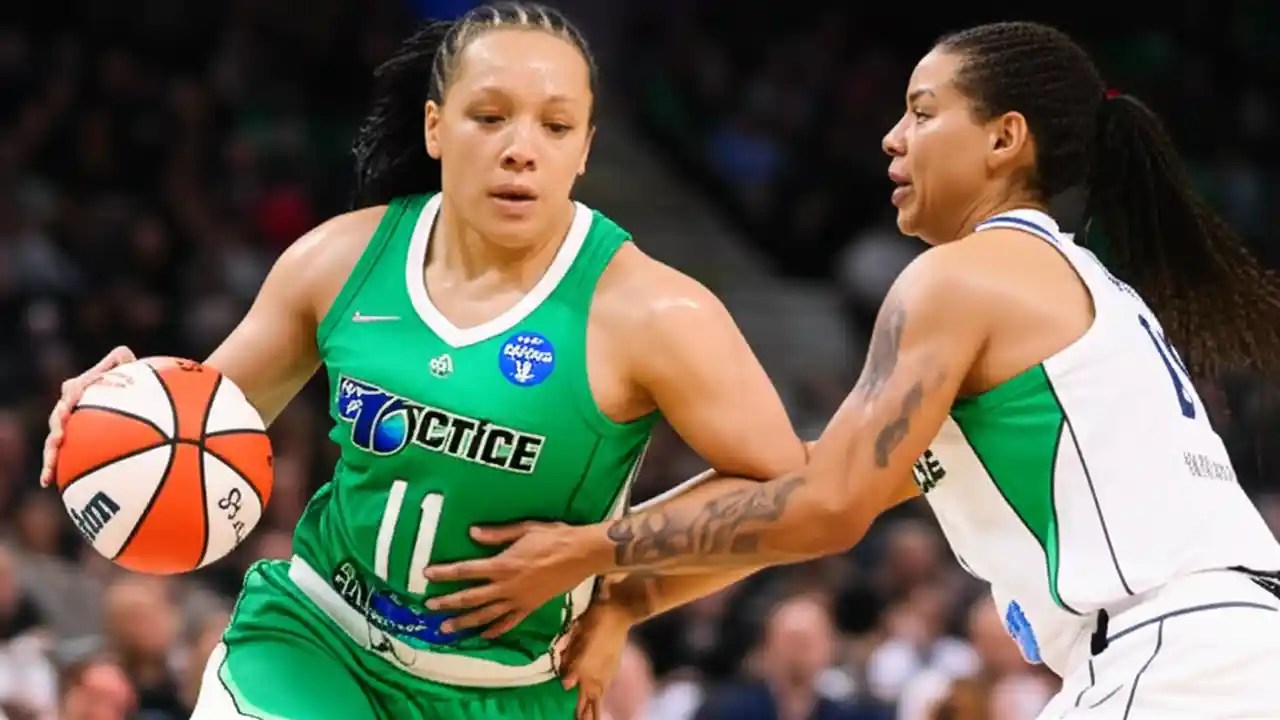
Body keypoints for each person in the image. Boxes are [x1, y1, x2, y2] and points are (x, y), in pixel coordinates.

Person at [420, 21, 1280, 718]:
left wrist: (590, 550)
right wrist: (630, 600)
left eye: (923, 111)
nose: (892, 136)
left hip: (1178, 664)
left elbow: (823, 510)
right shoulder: (1068, 289)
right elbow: (811, 484)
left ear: (1004, 139)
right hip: (1217, 650)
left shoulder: (965, 276)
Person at [37, 3, 813, 718]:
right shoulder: (339, 259)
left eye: (554, 126)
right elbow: (201, 430)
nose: (520, 150)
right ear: (437, 127)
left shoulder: (655, 313)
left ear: (585, 149)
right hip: (316, 638)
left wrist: (625, 597)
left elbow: (789, 500)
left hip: (508, 687)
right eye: (490, 117)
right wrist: (121, 411)